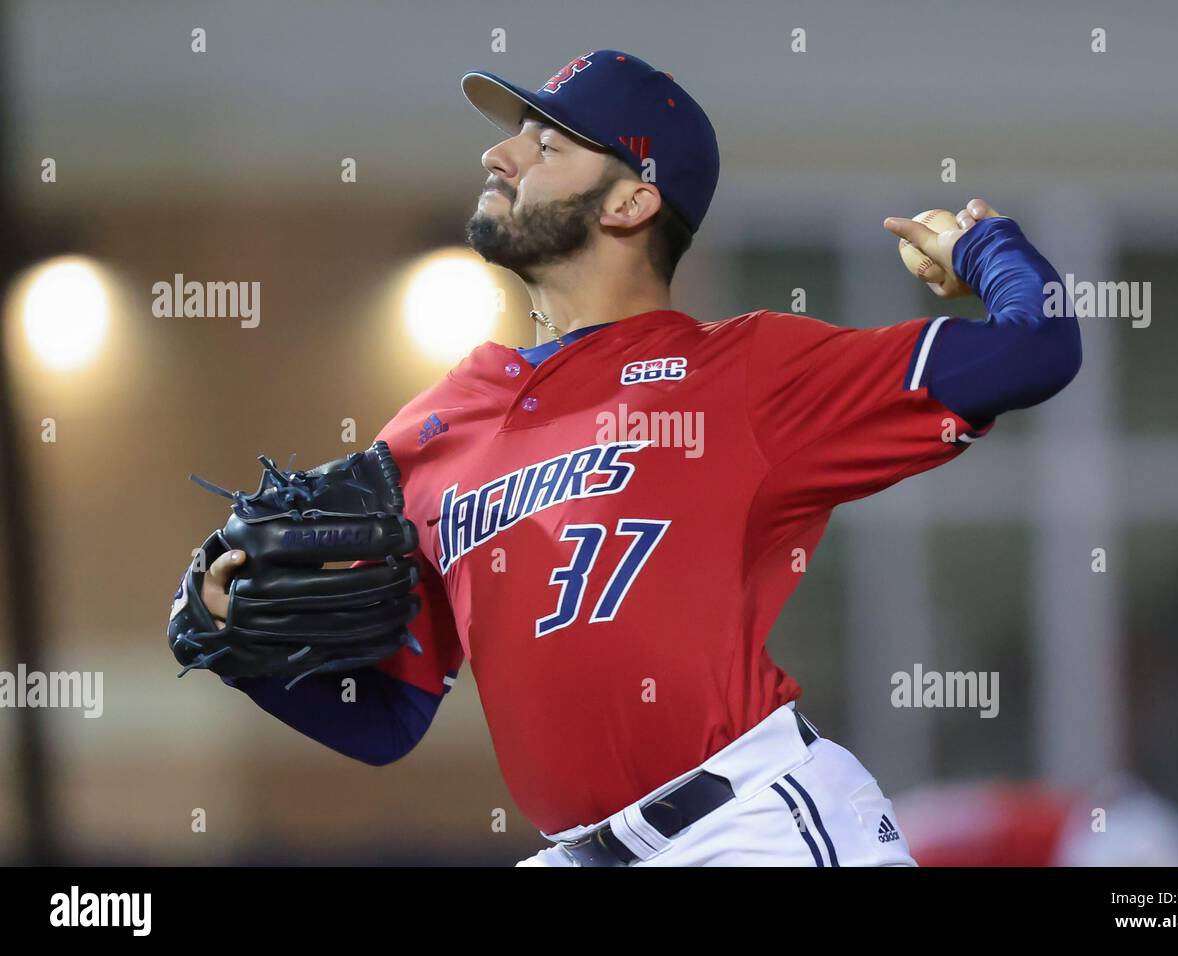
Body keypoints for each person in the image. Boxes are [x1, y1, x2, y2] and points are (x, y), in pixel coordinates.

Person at [196, 49, 1081, 866]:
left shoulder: (747, 372)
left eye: (547, 145)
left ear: (631, 200)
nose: (501, 160)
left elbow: (1036, 346)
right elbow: (386, 720)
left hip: (751, 826)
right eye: (514, 142)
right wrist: (234, 644)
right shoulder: (434, 427)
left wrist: (985, 248)